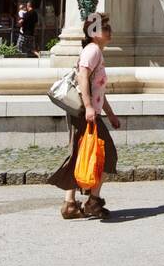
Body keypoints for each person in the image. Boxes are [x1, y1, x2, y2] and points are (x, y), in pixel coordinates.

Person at [48, 13, 120, 220]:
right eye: (106, 29)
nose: (110, 32)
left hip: (86, 112)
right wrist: (89, 107)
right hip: (84, 113)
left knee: (80, 155)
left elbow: (98, 89)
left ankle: (70, 204)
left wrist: (111, 115)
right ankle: (93, 203)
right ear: (95, 33)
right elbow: (82, 77)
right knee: (107, 155)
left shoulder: (95, 51)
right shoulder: (93, 50)